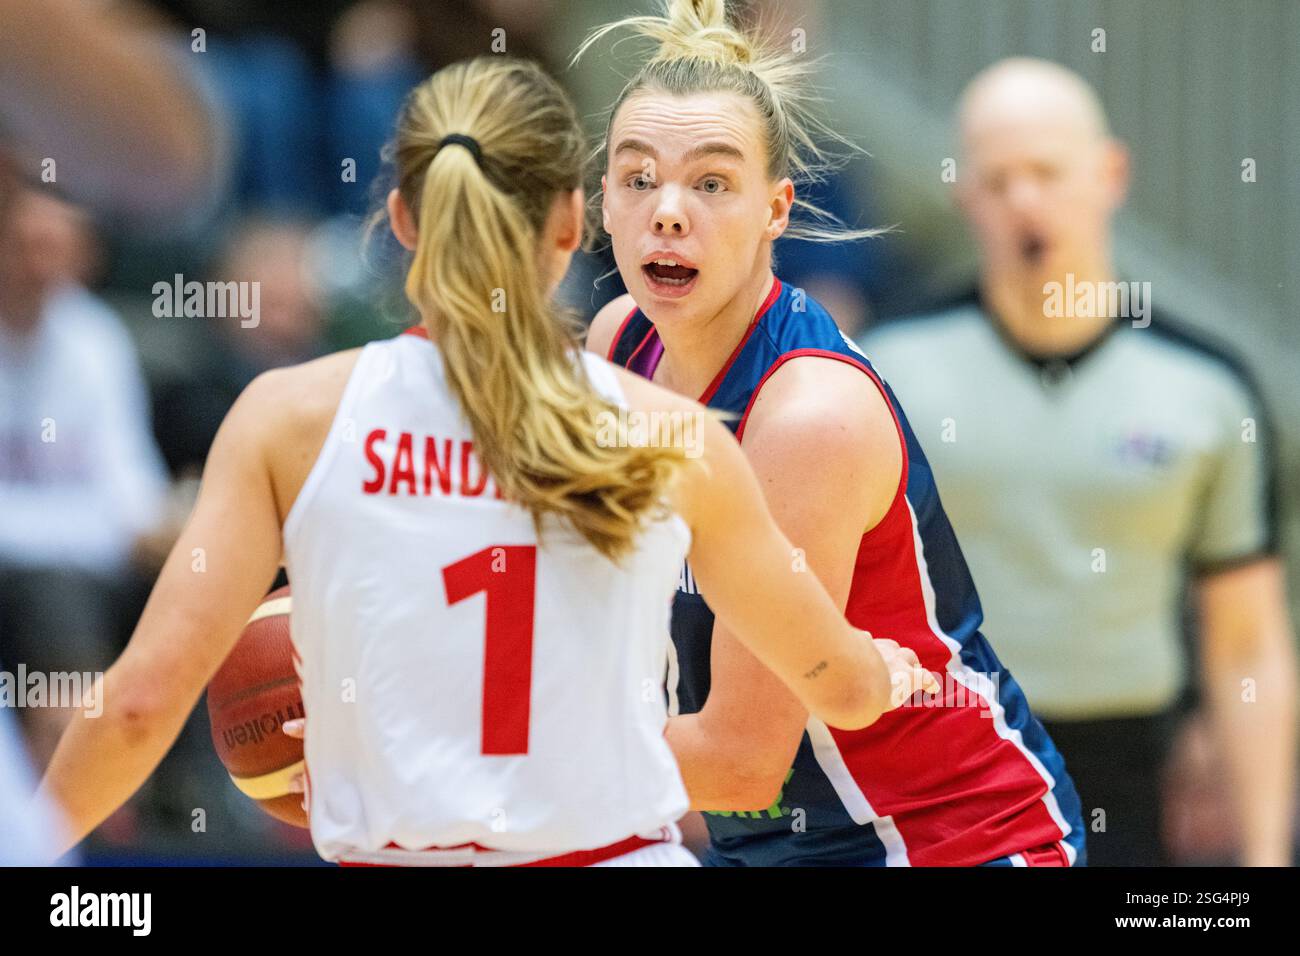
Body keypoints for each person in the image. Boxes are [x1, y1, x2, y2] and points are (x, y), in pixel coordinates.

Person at [36, 56, 931, 867]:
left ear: (400, 219)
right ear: (573, 221)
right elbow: (835, 688)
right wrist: (879, 672)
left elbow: (138, 706)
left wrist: (29, 843)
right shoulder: (674, 436)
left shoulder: (287, 418)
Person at [580, 0, 1083, 866]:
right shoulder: (618, 343)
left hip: (951, 840)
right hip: (776, 843)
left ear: (776, 209)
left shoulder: (809, 417)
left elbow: (739, 762)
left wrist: (466, 742)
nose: (667, 211)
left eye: (711, 183)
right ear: (604, 203)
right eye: (638, 178)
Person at [862, 57, 1297, 866]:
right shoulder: (883, 371)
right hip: (941, 766)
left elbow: (1247, 643)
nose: (1024, 200)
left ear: (1110, 174)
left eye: (1048, 172)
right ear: (965, 196)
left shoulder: (1207, 390)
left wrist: (1266, 853)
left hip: (1127, 776)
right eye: (998, 180)